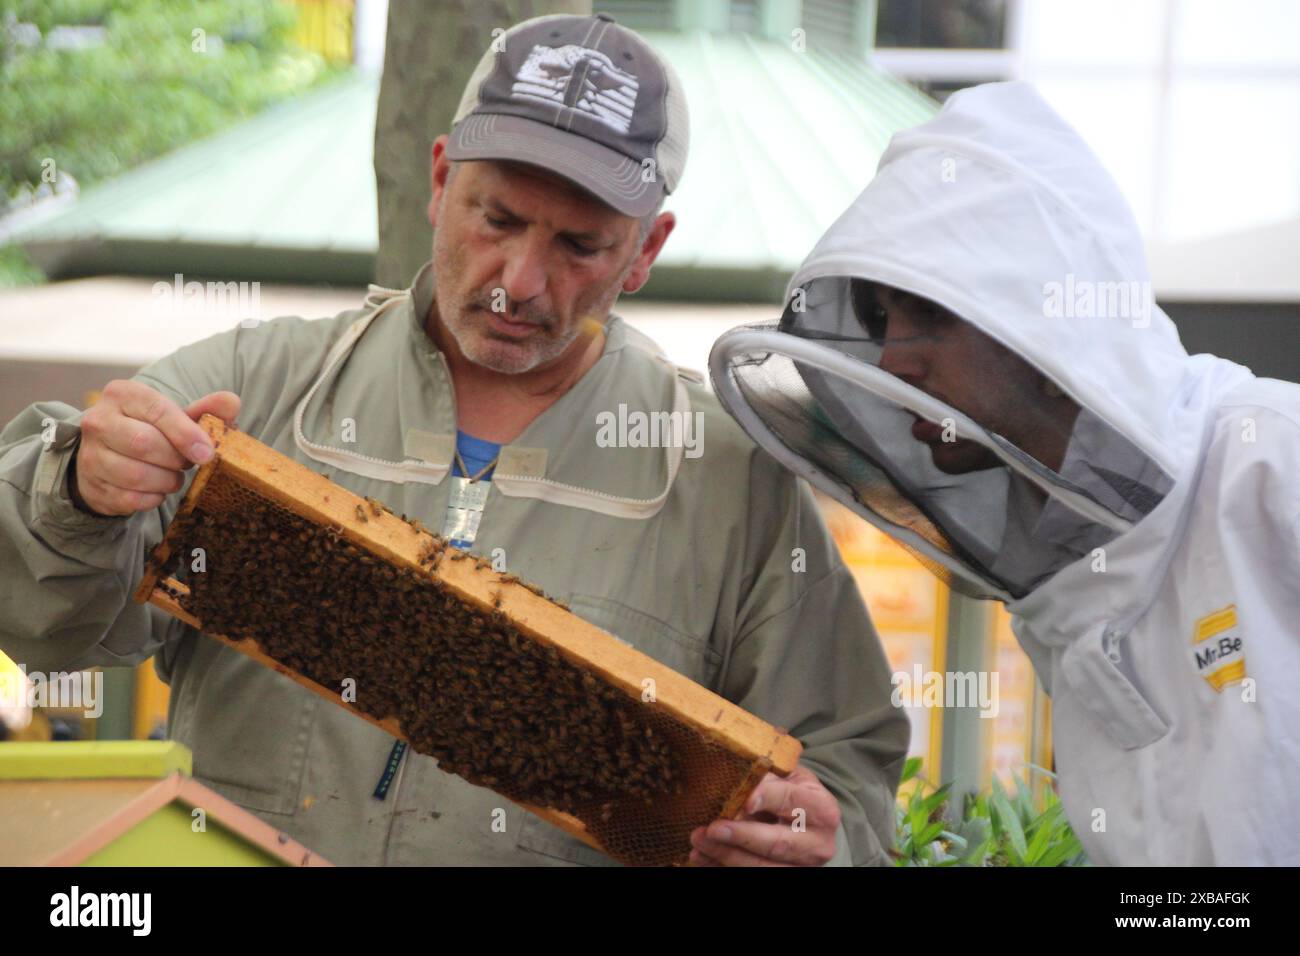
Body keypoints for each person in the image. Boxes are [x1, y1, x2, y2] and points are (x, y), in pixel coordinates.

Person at [0, 13, 908, 867]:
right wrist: (75, 493)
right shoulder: (252, 383)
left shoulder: (732, 479)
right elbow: (43, 625)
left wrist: (824, 841)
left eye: (581, 246)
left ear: (647, 249)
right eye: (498, 219)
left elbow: (849, 776)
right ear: (439, 180)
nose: (520, 281)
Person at [710, 80, 1300, 865]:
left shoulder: (1271, 460)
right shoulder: (1062, 565)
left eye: (931, 315)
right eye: (883, 318)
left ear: (1051, 326)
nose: (891, 358)